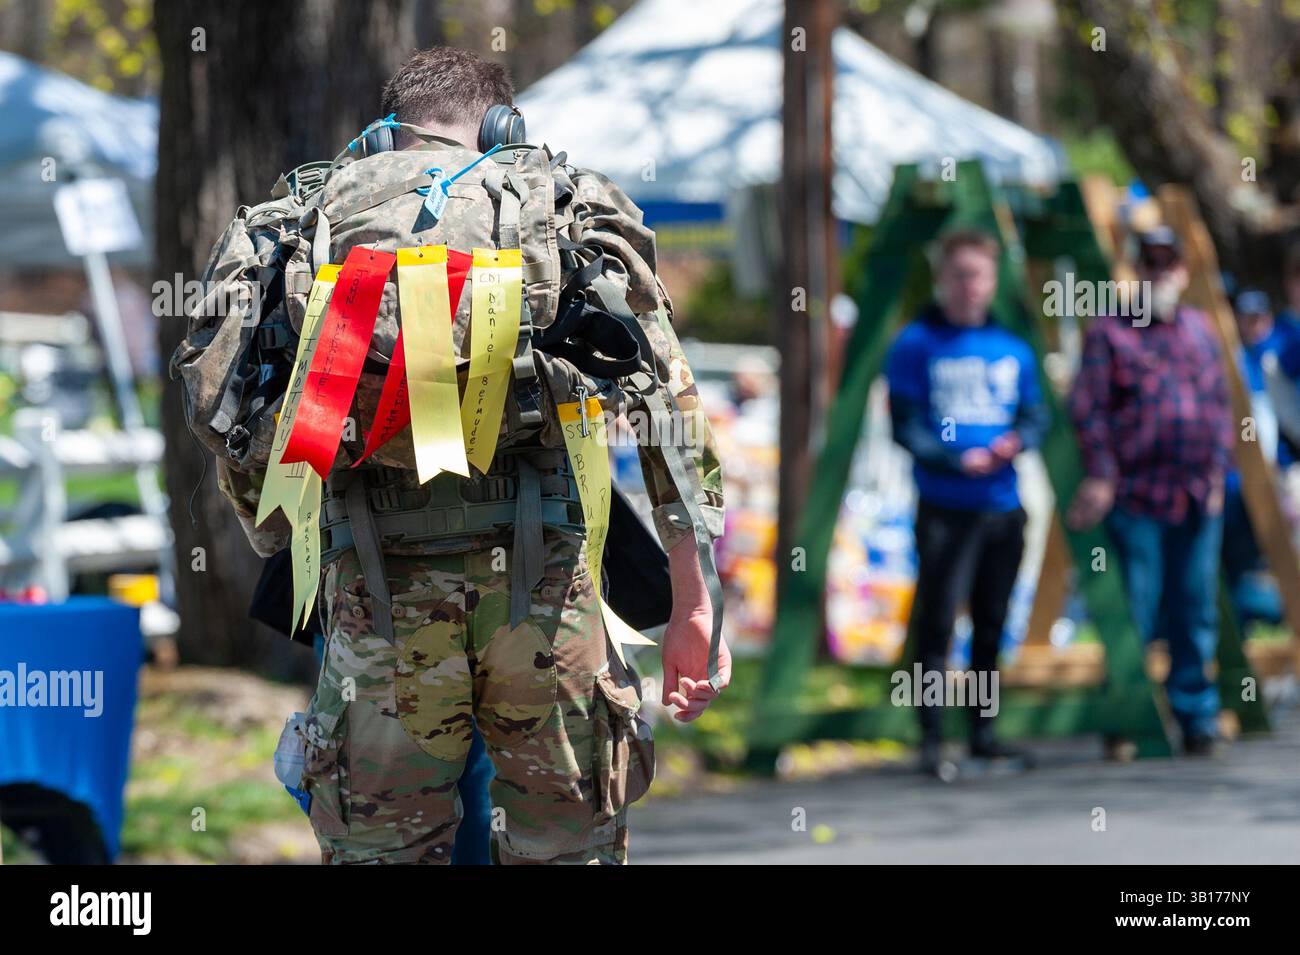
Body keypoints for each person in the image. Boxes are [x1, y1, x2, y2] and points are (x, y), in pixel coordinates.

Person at [273, 48, 727, 864]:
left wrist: (295, 558)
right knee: (566, 848)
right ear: (501, 126)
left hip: (375, 599)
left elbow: (234, 412)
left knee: (381, 852)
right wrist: (694, 599)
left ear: (383, 135)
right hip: (544, 597)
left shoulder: (310, 213)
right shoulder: (562, 203)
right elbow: (668, 406)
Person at [885, 229, 1048, 778]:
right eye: (959, 274)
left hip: (1002, 507)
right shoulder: (915, 344)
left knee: (992, 621)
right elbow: (904, 427)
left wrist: (1013, 443)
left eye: (978, 274)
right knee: (936, 622)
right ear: (942, 278)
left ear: (992, 280)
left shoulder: (1013, 348)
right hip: (945, 509)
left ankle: (983, 732)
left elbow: (1035, 417)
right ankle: (931, 739)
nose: (969, 285)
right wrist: (957, 460)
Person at [1067, 227, 1235, 755]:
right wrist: (1100, 473)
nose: (1160, 272)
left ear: (1183, 271)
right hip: (1137, 495)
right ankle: (1128, 715)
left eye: (1169, 263)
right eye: (1151, 263)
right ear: (1136, 269)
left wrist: (1216, 472)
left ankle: (1195, 716)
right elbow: (1088, 410)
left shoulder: (1200, 329)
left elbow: (1220, 408)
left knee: (1195, 607)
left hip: (1194, 494)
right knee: (1134, 609)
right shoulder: (1111, 331)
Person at [1221, 289, 1288, 626]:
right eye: (1247, 319)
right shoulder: (1236, 363)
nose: (1254, 325)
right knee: (1239, 566)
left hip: (1277, 479)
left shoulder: (1281, 352)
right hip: (1240, 484)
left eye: (1259, 318)